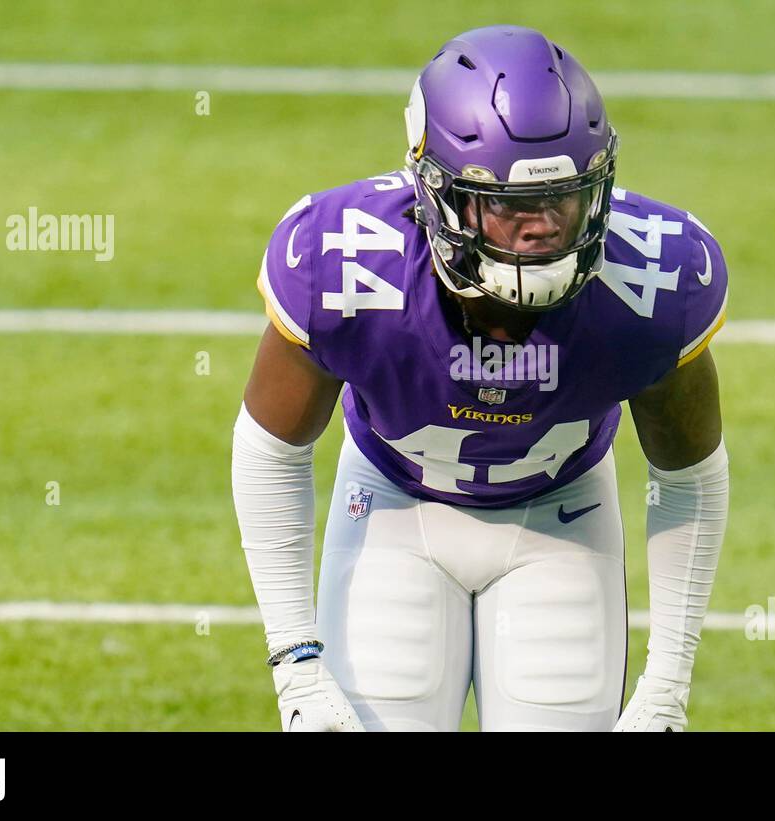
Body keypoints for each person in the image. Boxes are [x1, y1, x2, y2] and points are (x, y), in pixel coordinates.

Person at [232, 24, 729, 731]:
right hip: (392, 508)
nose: (543, 229)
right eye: (511, 205)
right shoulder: (347, 264)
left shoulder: (648, 285)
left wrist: (669, 681)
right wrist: (296, 661)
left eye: (563, 197)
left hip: (562, 519)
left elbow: (691, 475)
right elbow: (270, 447)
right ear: (435, 193)